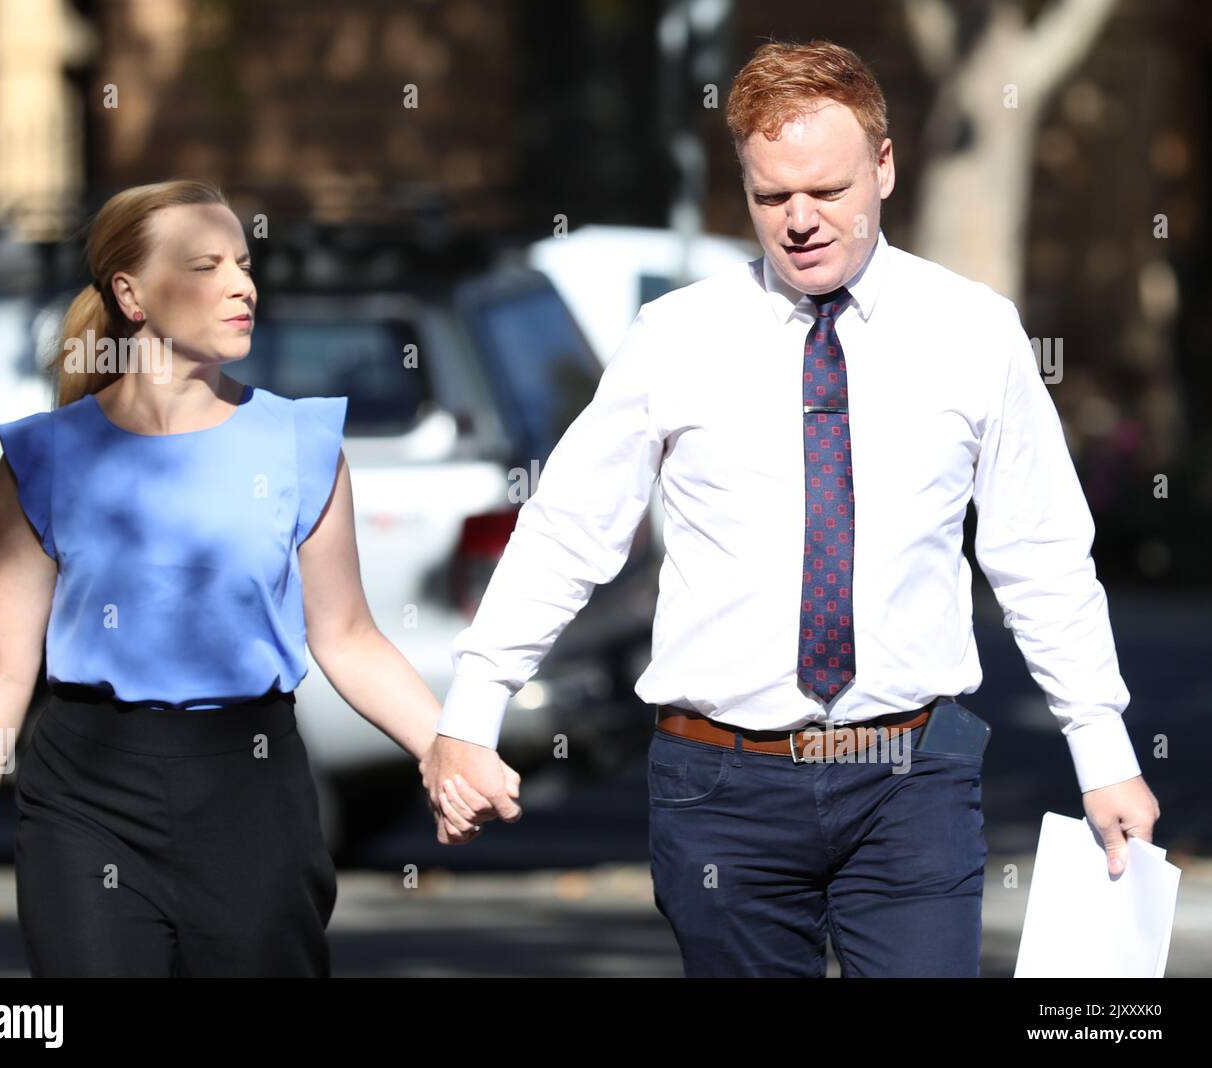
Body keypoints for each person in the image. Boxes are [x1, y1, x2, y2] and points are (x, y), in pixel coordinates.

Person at [425, 40, 1161, 977]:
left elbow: (1039, 549)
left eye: (828, 191)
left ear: (884, 167)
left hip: (911, 780)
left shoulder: (973, 331)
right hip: (720, 787)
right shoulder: (679, 337)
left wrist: (1103, 749)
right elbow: (570, 527)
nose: (801, 222)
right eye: (773, 199)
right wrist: (473, 708)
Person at [0, 178, 512, 978]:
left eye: (242, 261)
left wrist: (443, 746)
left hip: (252, 789)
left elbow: (346, 635)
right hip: (85, 796)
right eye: (206, 266)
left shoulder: (302, 444)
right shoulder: (44, 458)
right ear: (131, 294)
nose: (241, 284)